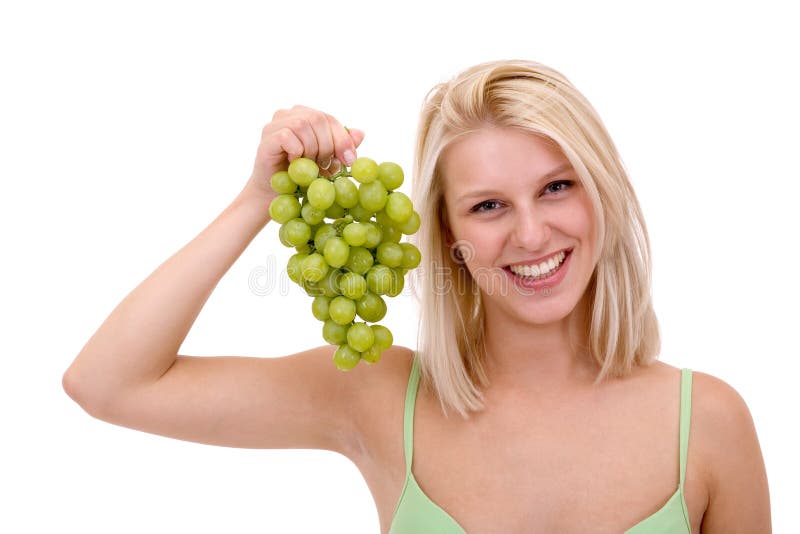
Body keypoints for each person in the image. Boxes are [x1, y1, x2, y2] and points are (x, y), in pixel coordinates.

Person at [62, 59, 771, 533]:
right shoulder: (377, 396)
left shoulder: (706, 424)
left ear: (603, 194)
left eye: (558, 187)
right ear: (450, 235)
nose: (531, 232)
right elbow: (106, 383)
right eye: (488, 206)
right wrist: (258, 198)